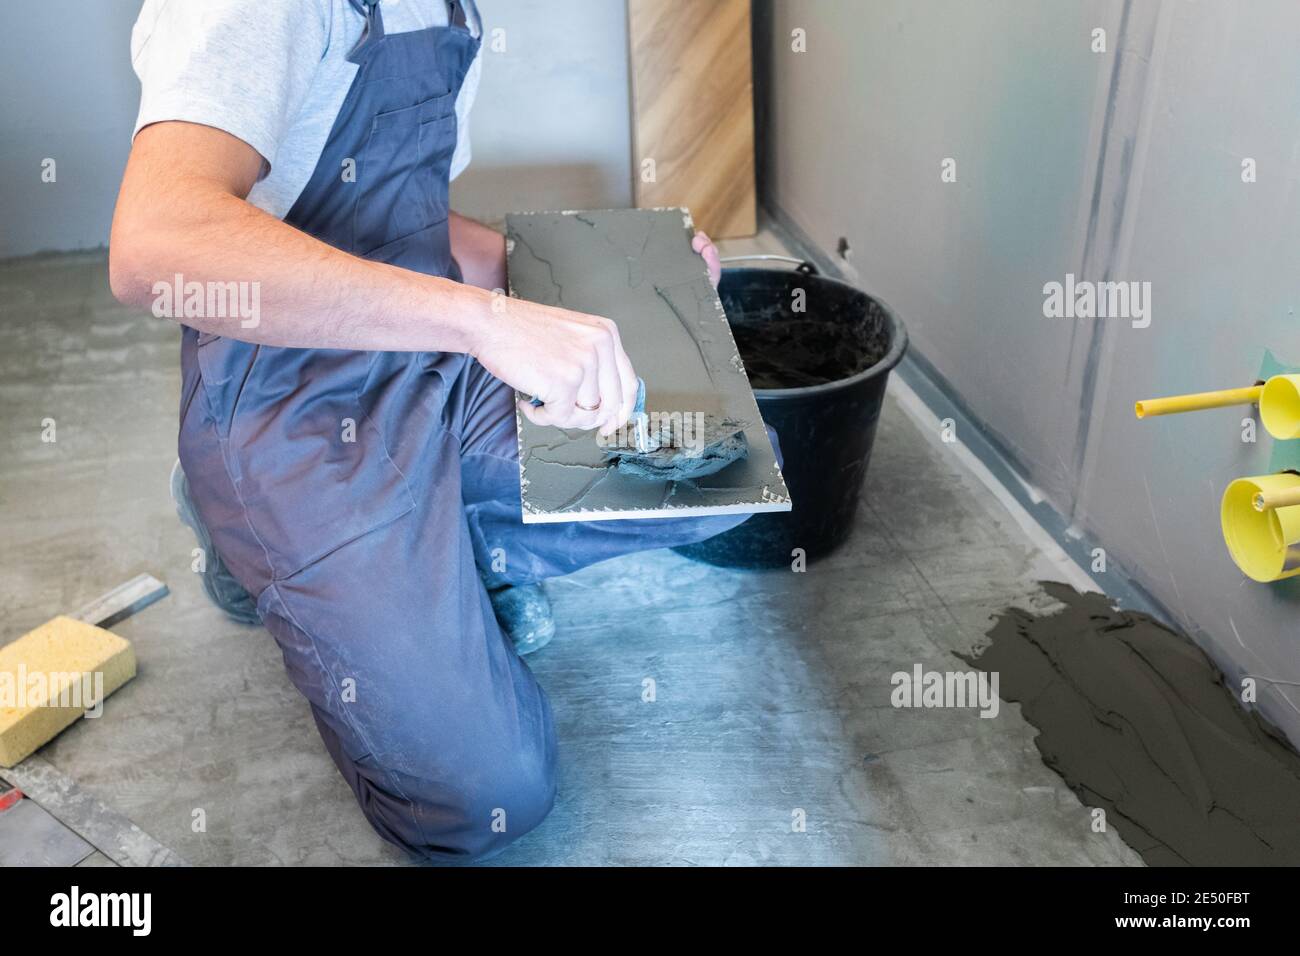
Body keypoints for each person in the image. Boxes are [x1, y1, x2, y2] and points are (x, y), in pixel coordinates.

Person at [109, 0, 750, 861]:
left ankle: (439, 554)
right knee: (489, 798)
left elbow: (393, 219)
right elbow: (155, 243)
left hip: (428, 354)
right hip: (292, 402)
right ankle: (245, 525)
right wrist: (485, 323)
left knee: (720, 466)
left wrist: (620, 276)